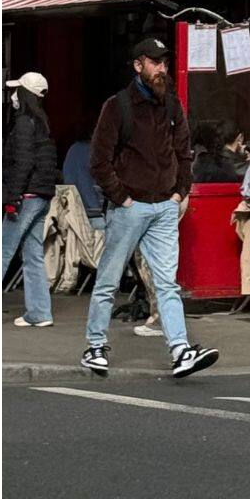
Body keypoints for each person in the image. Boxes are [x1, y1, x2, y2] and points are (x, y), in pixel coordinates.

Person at [79, 36, 218, 379]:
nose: (162, 68)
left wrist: (179, 192)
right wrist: (121, 197)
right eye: (155, 62)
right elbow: (98, 160)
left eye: (165, 62)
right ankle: (95, 346)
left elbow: (184, 152)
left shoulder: (172, 105)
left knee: (167, 283)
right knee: (109, 280)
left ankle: (180, 350)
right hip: (131, 207)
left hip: (163, 206)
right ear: (137, 65)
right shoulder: (118, 106)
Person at [2, 72, 60, 328]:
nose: (12, 95)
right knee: (33, 254)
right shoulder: (42, 122)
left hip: (26, 197)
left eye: (17, 90)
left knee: (2, 251)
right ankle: (39, 313)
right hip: (42, 195)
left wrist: (12, 198)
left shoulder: (25, 122)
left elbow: (22, 163)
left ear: (25, 94)